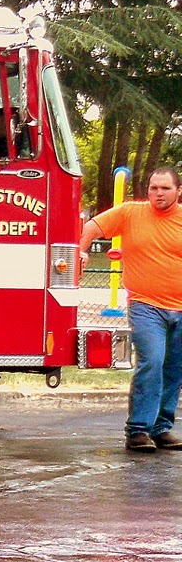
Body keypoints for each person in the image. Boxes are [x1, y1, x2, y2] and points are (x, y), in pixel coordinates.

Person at [80, 167, 182, 452]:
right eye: (153, 188)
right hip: (146, 306)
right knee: (152, 362)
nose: (158, 194)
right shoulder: (130, 213)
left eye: (164, 188)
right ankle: (137, 430)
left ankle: (162, 428)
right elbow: (91, 228)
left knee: (174, 370)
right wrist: (81, 251)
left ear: (178, 191)